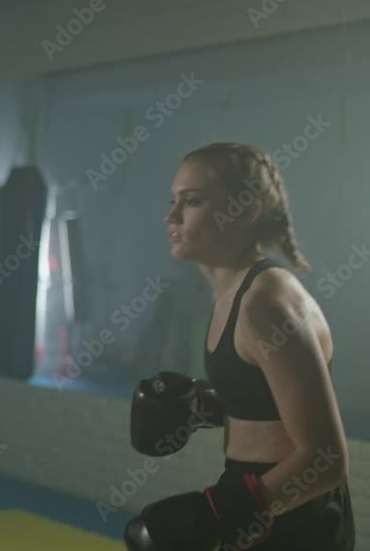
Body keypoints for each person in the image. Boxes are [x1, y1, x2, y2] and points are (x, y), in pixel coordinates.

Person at [125, 142, 354, 550]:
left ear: (247, 210)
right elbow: (271, 406)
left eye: (191, 201)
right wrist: (207, 404)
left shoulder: (265, 303)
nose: (172, 216)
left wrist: (216, 516)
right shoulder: (232, 294)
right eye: (173, 201)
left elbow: (326, 460)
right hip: (261, 495)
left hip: (294, 511)